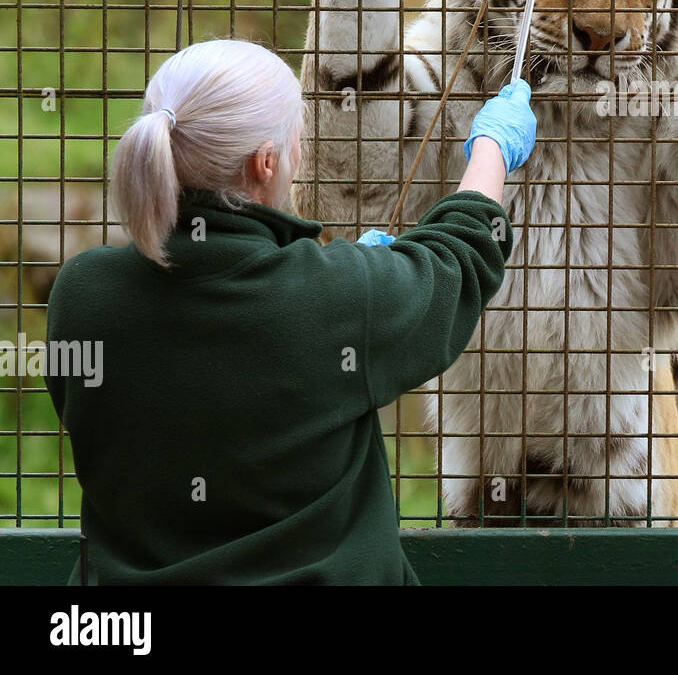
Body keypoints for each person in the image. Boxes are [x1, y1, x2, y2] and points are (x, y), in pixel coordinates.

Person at [45, 38, 537, 585]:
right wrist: (492, 146)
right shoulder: (339, 298)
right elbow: (460, 261)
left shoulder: (81, 294)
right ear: (266, 162)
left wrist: (344, 282)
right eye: (297, 139)